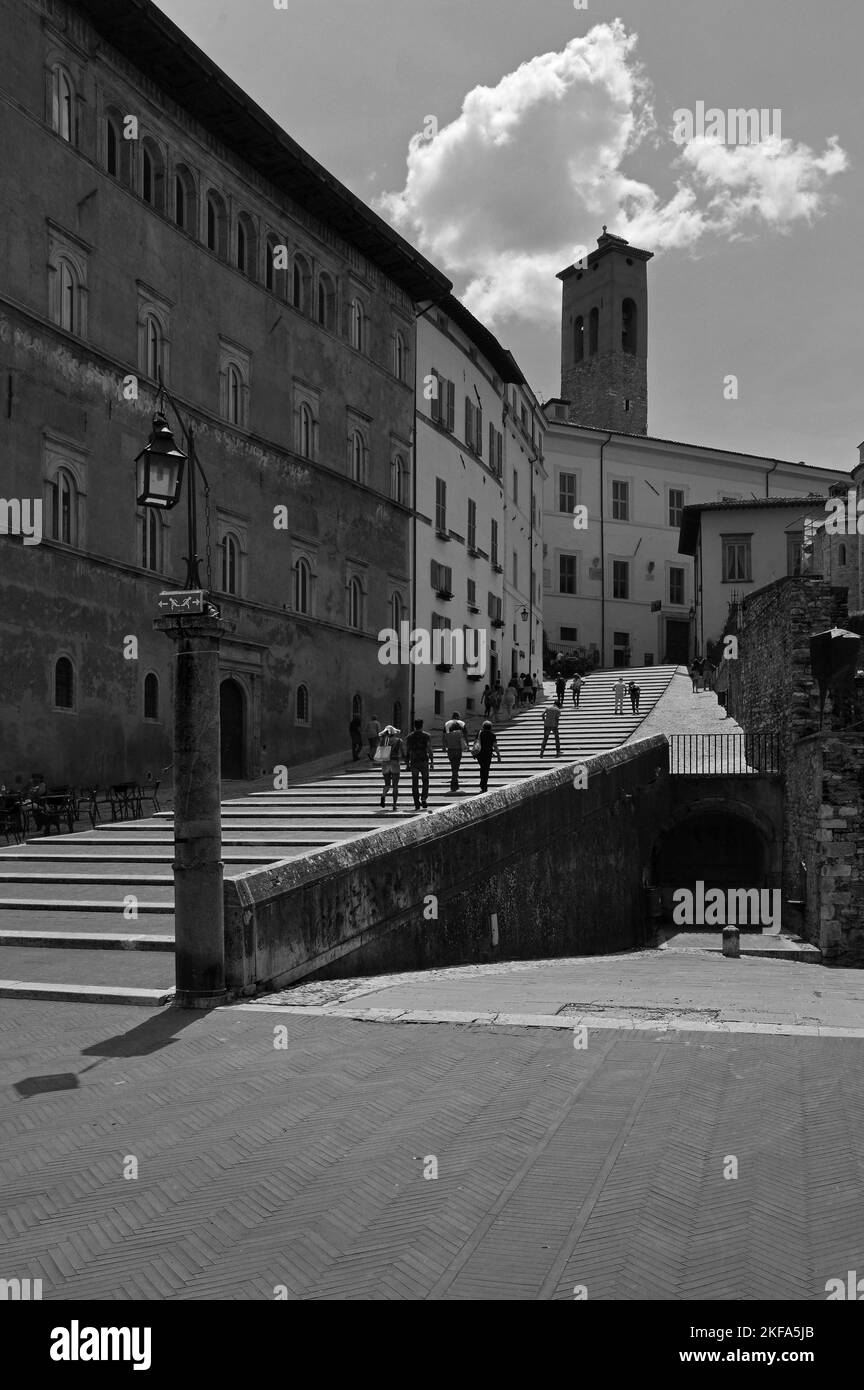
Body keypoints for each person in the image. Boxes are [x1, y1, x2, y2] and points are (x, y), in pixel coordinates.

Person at [405, 718, 434, 811]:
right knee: (425, 781)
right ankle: (424, 798)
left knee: (415, 783)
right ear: (422, 725)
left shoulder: (410, 737)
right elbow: (429, 749)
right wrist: (432, 761)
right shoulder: (426, 736)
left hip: (414, 761)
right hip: (424, 760)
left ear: (414, 726)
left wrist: (407, 764)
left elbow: (407, 751)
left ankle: (416, 803)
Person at [376, 724, 404, 811]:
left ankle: (383, 796)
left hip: (385, 764)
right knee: (395, 786)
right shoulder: (399, 741)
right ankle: (394, 805)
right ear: (394, 732)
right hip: (395, 763)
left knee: (387, 784)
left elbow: (379, 751)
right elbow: (402, 752)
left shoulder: (383, 741)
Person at [442, 710, 468, 792]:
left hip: (450, 750)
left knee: (453, 766)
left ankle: (454, 781)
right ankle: (454, 784)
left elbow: (443, 737)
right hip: (458, 750)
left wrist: (444, 746)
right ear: (458, 716)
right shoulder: (462, 724)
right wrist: (467, 745)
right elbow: (466, 735)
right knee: (456, 767)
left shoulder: (447, 725)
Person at [474, 719, 501, 792]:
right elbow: (495, 746)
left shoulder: (479, 733)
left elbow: (475, 743)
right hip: (488, 755)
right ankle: (484, 785)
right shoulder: (492, 735)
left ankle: (482, 784)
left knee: (482, 768)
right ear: (491, 727)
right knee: (486, 769)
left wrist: (474, 753)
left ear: (483, 727)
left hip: (480, 754)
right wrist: (498, 756)